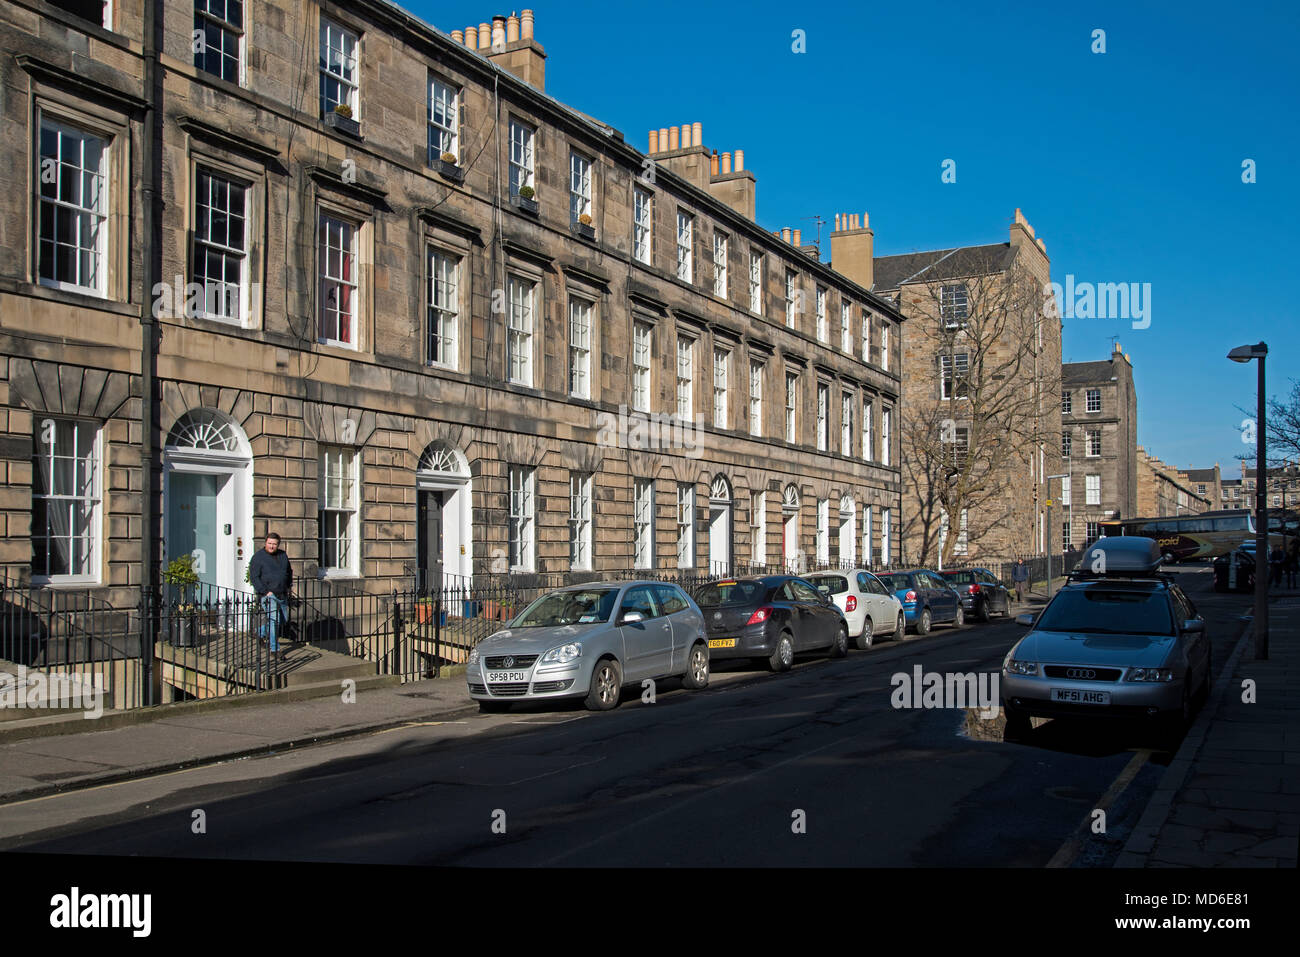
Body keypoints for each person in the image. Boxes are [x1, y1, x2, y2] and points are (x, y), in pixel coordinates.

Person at [249, 532, 293, 657]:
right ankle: (274, 649)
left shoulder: (283, 555)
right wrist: (264, 591)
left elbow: (288, 572)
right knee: (274, 621)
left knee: (282, 620)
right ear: (265, 543)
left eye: (274, 544)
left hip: (282, 593)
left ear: (278, 544)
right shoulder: (258, 557)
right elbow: (254, 577)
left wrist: (289, 586)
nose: (272, 546)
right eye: (269, 543)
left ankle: (259, 633)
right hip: (268, 595)